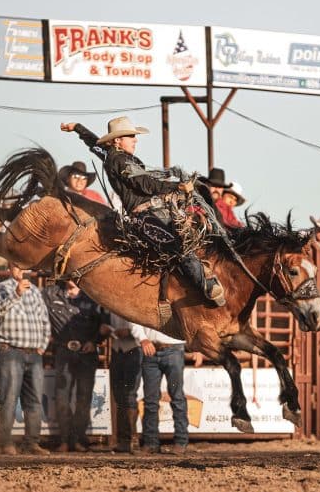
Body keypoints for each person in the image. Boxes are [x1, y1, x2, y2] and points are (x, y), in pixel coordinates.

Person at [61, 117, 225, 307]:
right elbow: (145, 184)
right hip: (145, 217)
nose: (135, 140)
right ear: (117, 140)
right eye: (131, 136)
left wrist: (78, 128)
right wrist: (177, 187)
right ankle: (206, 285)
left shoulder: (111, 156)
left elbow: (94, 144)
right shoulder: (119, 160)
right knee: (179, 245)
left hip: (155, 212)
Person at [42, 277, 109, 452]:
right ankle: (65, 439)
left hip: (87, 352)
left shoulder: (93, 294)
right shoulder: (50, 294)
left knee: (84, 398)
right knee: (62, 397)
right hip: (63, 350)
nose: (71, 277)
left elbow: (105, 322)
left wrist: (95, 341)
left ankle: (79, 438)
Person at [0, 263, 51, 455]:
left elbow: (44, 319)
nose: (21, 271)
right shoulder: (1, 288)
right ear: (10, 268)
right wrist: (16, 293)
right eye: (16, 267)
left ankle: (31, 442)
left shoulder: (35, 291)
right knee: (8, 398)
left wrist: (42, 345)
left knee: (34, 400)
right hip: (11, 350)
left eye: (23, 268)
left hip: (33, 352)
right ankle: (6, 442)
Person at [132, 324, 190, 454]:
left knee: (177, 397)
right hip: (151, 349)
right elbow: (134, 319)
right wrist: (142, 338)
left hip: (174, 348)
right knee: (150, 400)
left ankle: (180, 441)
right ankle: (150, 442)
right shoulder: (145, 302)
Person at [108, 312, 143, 454]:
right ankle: (123, 440)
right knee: (119, 396)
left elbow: (140, 324)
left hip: (133, 348)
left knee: (129, 395)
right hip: (117, 349)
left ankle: (133, 439)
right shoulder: (109, 302)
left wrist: (131, 332)